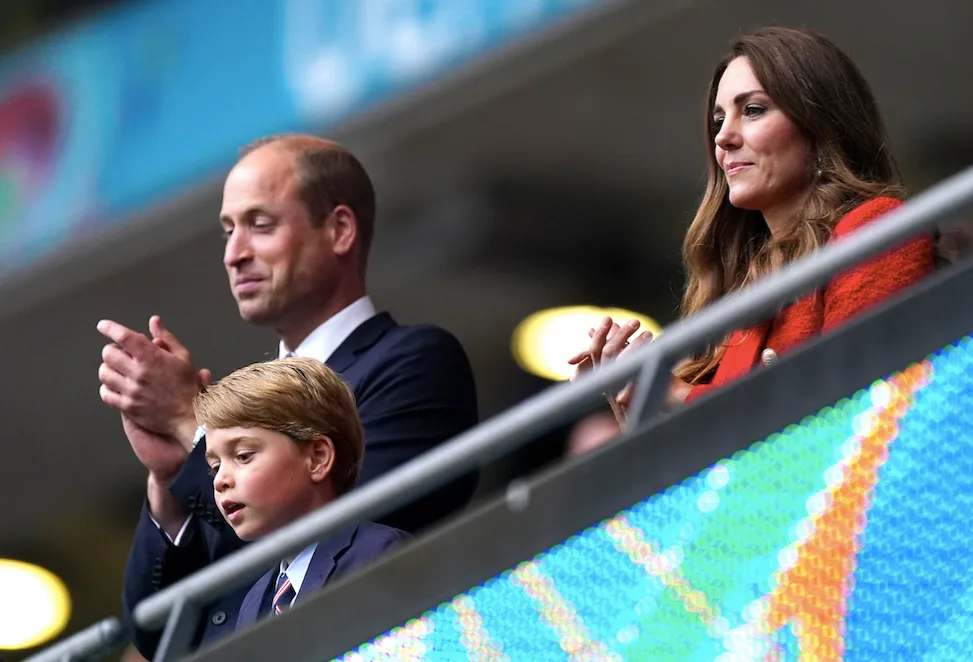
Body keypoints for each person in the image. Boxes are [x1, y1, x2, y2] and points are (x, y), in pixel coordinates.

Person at [98, 135, 478, 655]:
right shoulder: (221, 432)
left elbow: (345, 534)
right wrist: (171, 479)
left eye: (260, 224)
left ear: (340, 230)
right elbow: (157, 633)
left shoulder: (414, 360)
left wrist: (194, 427)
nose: (234, 254)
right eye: (229, 230)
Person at [568, 27, 935, 445]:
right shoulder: (737, 298)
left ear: (820, 126)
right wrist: (632, 394)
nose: (723, 137)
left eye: (754, 110)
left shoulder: (876, 227)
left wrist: (670, 390)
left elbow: (854, 414)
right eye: (719, 119)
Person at [195, 357, 410, 632]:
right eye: (215, 467)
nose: (221, 480)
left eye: (243, 456)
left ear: (318, 458)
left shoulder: (379, 554)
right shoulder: (256, 598)